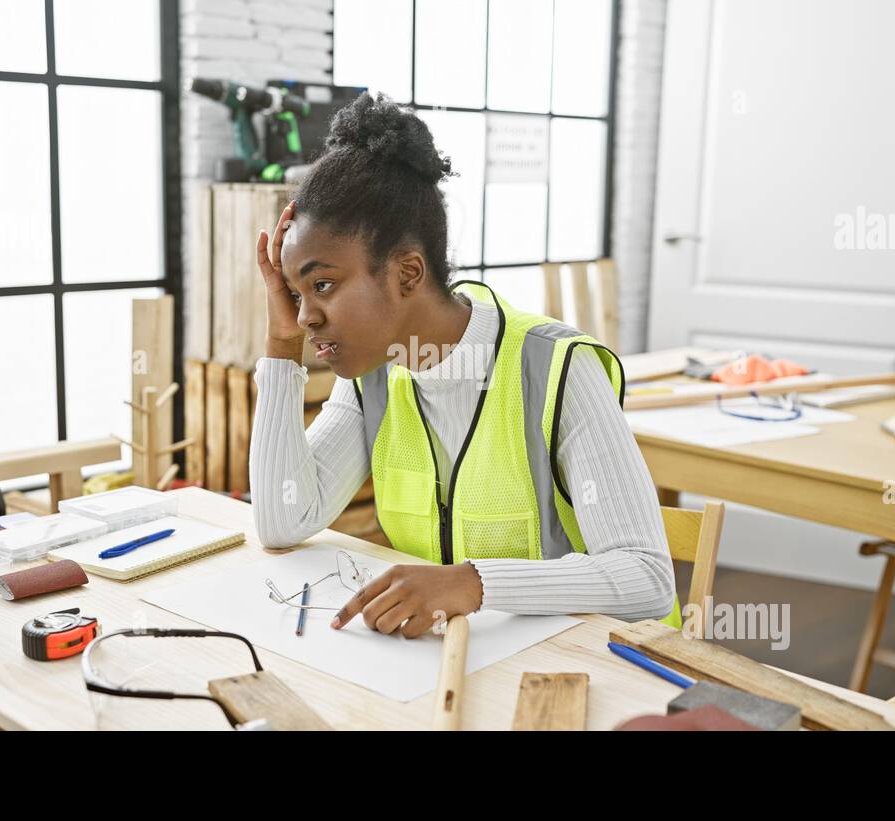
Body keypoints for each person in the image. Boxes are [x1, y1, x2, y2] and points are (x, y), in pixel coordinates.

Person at [250, 92, 677, 639]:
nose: (307, 315)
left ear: (407, 273)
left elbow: (646, 578)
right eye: (295, 292)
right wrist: (280, 342)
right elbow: (282, 521)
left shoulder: (555, 370)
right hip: (461, 668)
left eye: (323, 285)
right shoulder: (374, 378)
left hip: (601, 670)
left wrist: (472, 583)